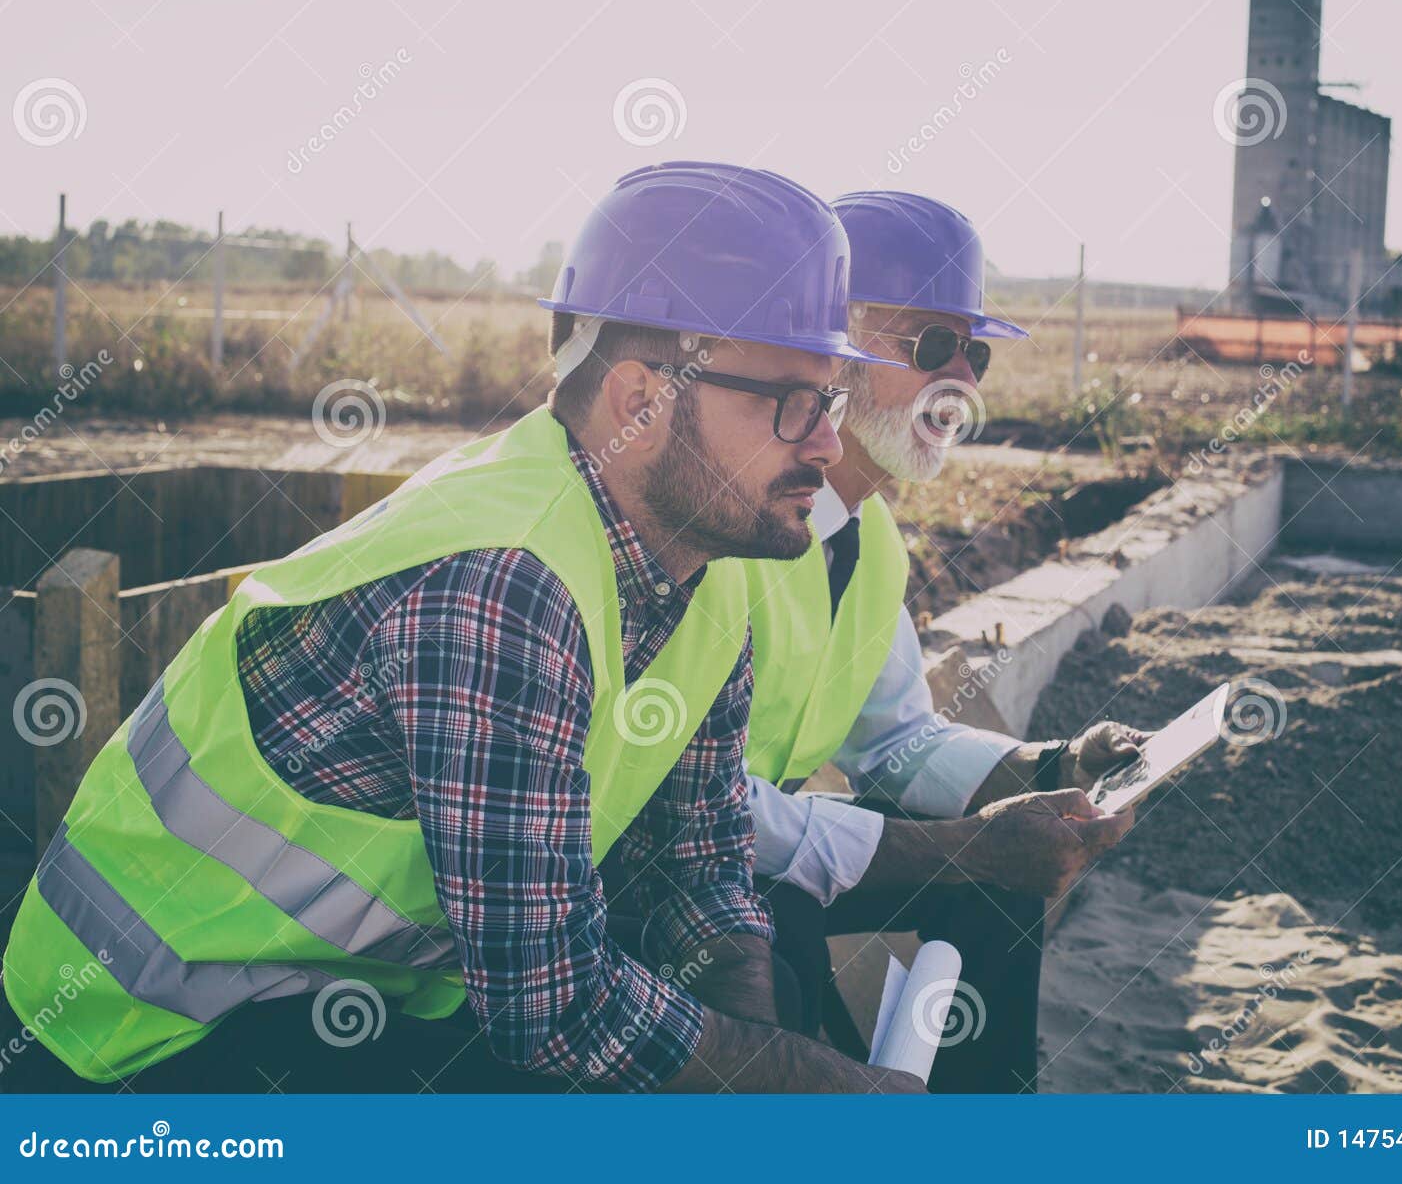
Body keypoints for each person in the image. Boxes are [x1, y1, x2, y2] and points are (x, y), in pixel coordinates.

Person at [0, 162, 923, 1095]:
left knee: (770, 973)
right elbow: (554, 1009)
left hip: (347, 997)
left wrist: (768, 1069)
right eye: (795, 404)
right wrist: (807, 1085)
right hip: (141, 1034)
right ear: (641, 402)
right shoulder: (506, 583)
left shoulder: (707, 572)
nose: (829, 445)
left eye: (834, 400)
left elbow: (704, 871)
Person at [743, 190, 1146, 1093]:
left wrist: (1048, 765)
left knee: (996, 883)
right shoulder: (737, 527)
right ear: (830, 344)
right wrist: (961, 842)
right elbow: (696, 809)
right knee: (784, 924)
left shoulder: (869, 537)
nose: (959, 380)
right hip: (684, 864)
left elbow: (894, 741)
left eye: (977, 355)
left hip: (761, 839)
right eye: (930, 347)